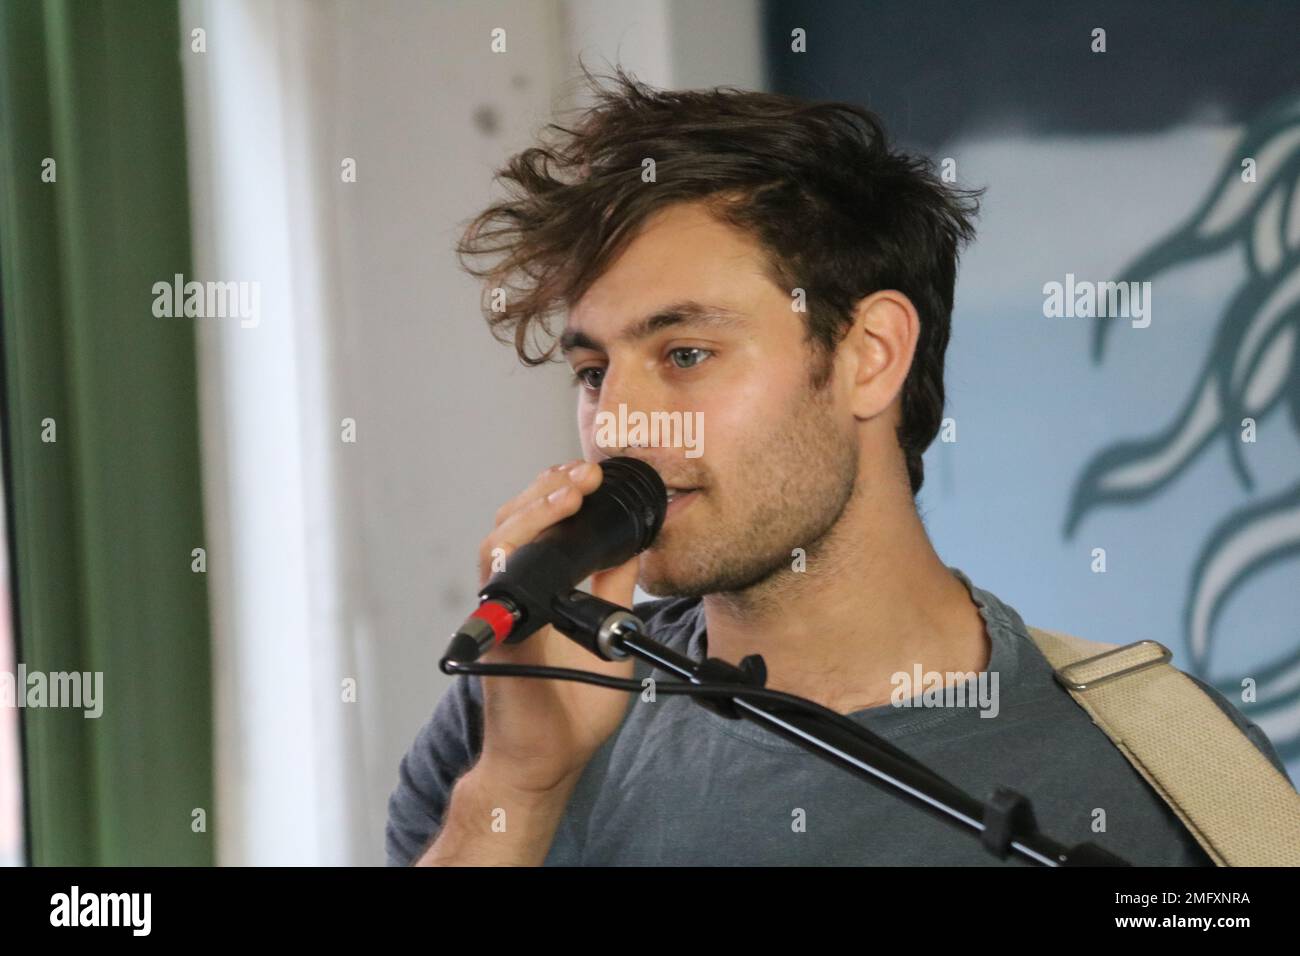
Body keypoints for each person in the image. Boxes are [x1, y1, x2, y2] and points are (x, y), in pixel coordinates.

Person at [387, 67, 1291, 866]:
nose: (616, 424)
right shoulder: (509, 724)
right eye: (593, 373)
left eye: (686, 354)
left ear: (870, 355)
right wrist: (521, 790)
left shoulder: (1173, 765)